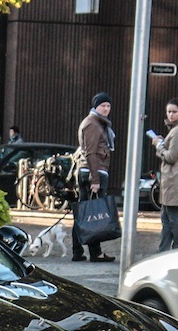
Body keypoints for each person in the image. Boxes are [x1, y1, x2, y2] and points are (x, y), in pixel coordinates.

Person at [72, 92, 115, 262]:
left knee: (84, 213)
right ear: (95, 106)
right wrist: (95, 180)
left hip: (89, 171)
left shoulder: (98, 123)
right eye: (102, 106)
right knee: (94, 215)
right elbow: (91, 152)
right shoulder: (93, 124)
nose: (106, 109)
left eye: (108, 106)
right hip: (93, 172)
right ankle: (95, 253)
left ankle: (78, 251)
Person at [151, 98, 178, 251]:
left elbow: (171, 157)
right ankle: (164, 249)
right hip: (176, 175)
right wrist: (164, 143)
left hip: (175, 176)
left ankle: (177, 248)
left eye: (174, 112)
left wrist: (159, 145)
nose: (170, 115)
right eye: (168, 111)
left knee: (172, 217)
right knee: (167, 215)